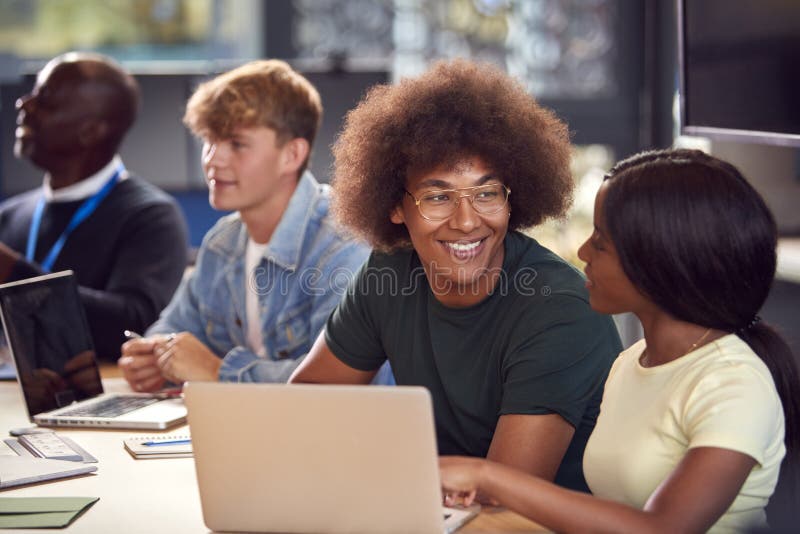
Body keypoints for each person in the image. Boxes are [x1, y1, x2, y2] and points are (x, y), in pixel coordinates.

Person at [289, 59, 622, 492]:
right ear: (394, 206)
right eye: (438, 196)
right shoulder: (391, 270)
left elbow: (504, 492)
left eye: (486, 193)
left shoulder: (560, 308)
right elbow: (305, 405)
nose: (467, 221)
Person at [439, 149, 800, 533]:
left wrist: (487, 476)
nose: (582, 253)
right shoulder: (631, 362)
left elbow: (662, 529)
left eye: (600, 241)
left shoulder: (735, 385)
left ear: (660, 260)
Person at [118, 60, 388, 392]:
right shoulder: (223, 242)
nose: (213, 159)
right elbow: (171, 328)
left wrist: (218, 371)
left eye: (236, 144)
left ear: (292, 154)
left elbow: (340, 385)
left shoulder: (343, 243)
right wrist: (151, 358)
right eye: (209, 140)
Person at [0, 51, 188, 361]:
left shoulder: (150, 216)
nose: (24, 105)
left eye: (45, 99)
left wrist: (11, 271)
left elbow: (135, 327)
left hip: (96, 399)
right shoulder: (10, 217)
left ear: (91, 131)